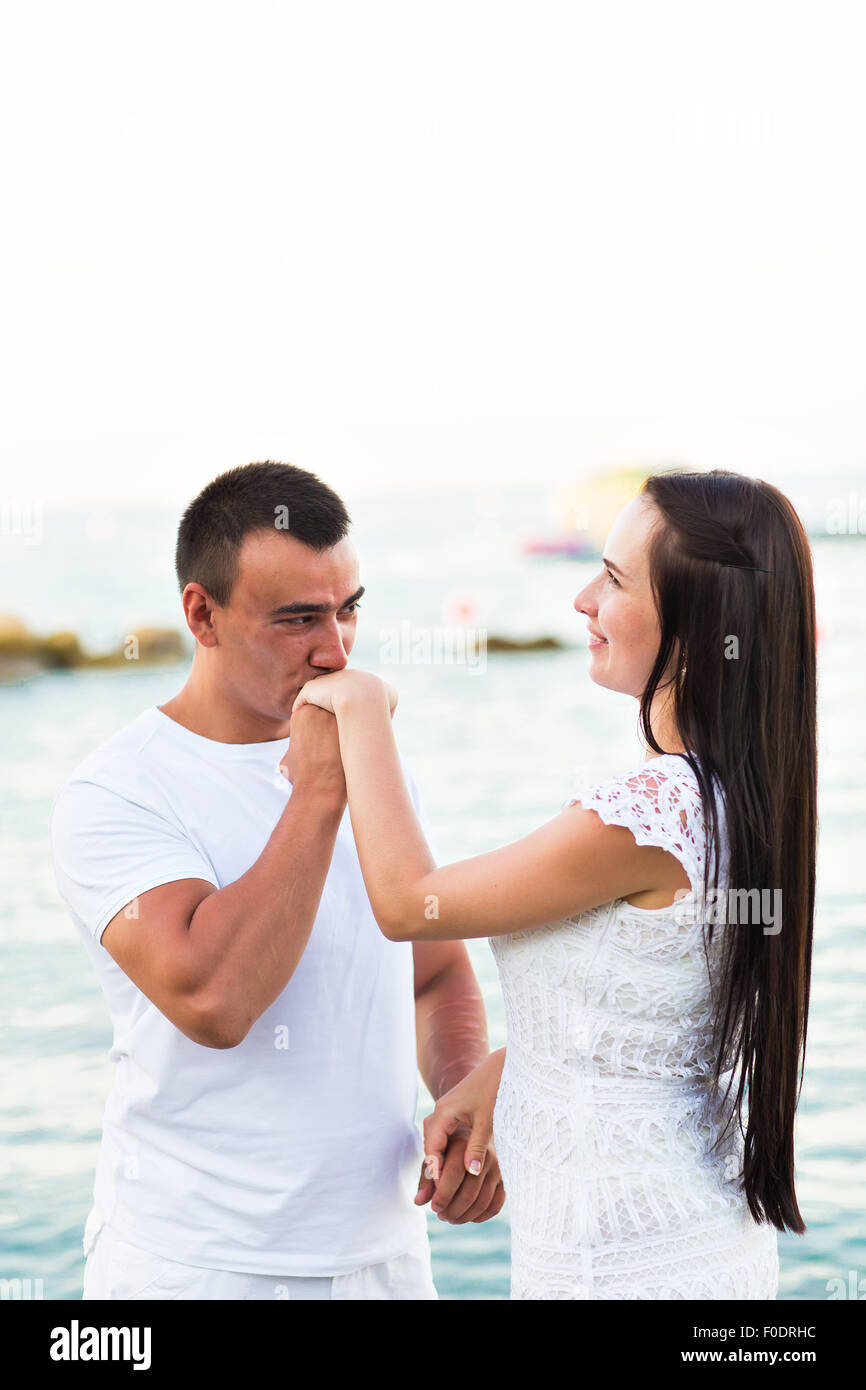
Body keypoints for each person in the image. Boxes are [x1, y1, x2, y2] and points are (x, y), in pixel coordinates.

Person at [292, 468, 817, 1300]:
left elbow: (407, 902)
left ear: (696, 619)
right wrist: (502, 1074)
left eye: (612, 579)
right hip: (663, 1246)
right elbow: (645, 1018)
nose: (581, 598)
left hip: (626, 1265)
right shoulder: (729, 793)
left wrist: (361, 711)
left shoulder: (650, 811)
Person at [49, 460, 503, 1301]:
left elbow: (435, 973)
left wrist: (464, 1100)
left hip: (388, 1260)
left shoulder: (368, 754)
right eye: (298, 619)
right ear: (201, 613)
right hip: (200, 1268)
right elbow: (215, 1001)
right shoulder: (115, 792)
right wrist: (324, 787)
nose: (335, 650)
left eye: (349, 610)